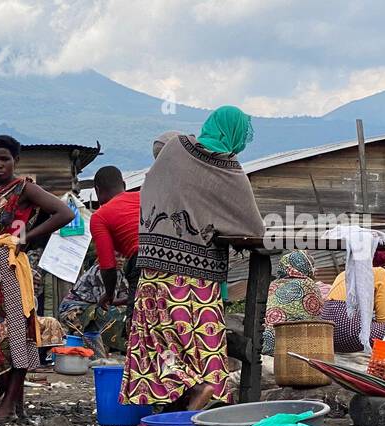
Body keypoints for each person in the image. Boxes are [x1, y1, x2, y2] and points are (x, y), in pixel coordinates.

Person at [123, 107, 265, 410]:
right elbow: (253, 228)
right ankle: (202, 389)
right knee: (201, 343)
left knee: (160, 341)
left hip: (151, 269)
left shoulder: (174, 148)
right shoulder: (228, 171)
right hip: (194, 278)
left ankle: (176, 408)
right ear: (235, 134)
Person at [0, 134, 74, 420]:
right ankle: (13, 404)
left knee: (15, 334)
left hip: (9, 268)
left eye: (4, 159)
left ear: (16, 161)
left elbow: (63, 213)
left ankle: (8, 405)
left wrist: (26, 237)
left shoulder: (24, 188)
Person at [322, 248, 385, 353]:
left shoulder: (344, 273)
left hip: (328, 333)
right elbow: (383, 320)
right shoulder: (379, 272)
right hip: (348, 330)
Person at [89, 165, 141, 314]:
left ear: (97, 191)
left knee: (137, 323)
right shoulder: (143, 196)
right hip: (173, 256)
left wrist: (109, 294)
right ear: (124, 185)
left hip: (141, 260)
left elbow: (108, 266)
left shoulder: (100, 216)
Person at [261, 250, 326, 355]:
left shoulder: (273, 284)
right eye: (311, 265)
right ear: (303, 266)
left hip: (267, 342)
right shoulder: (307, 284)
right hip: (291, 345)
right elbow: (318, 316)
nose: (314, 269)